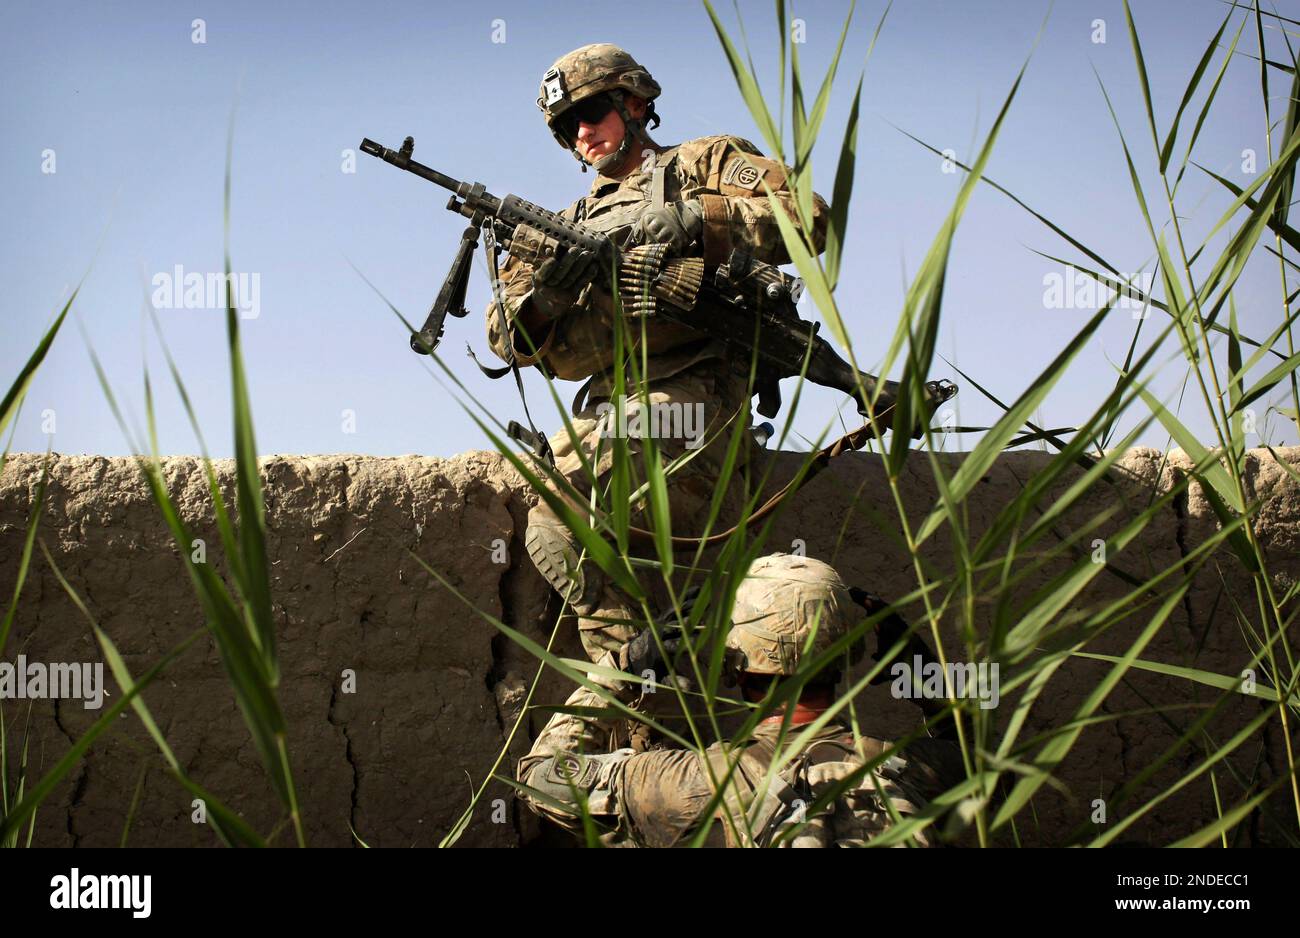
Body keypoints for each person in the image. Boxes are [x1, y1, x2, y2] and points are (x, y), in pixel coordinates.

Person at [484, 43, 830, 663]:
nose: (581, 133)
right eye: (566, 127)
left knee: (593, 498)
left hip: (697, 399)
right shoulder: (564, 225)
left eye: (591, 112)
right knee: (562, 527)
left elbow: (810, 220)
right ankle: (635, 685)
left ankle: (643, 687)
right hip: (605, 410)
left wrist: (702, 215)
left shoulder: (702, 163)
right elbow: (507, 339)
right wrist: (547, 297)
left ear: (635, 101)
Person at [515, 553, 961, 847]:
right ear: (848, 655)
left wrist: (624, 667)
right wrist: (923, 675)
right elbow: (986, 754)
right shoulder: (920, 772)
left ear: (735, 664)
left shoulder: (688, 782)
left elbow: (539, 779)